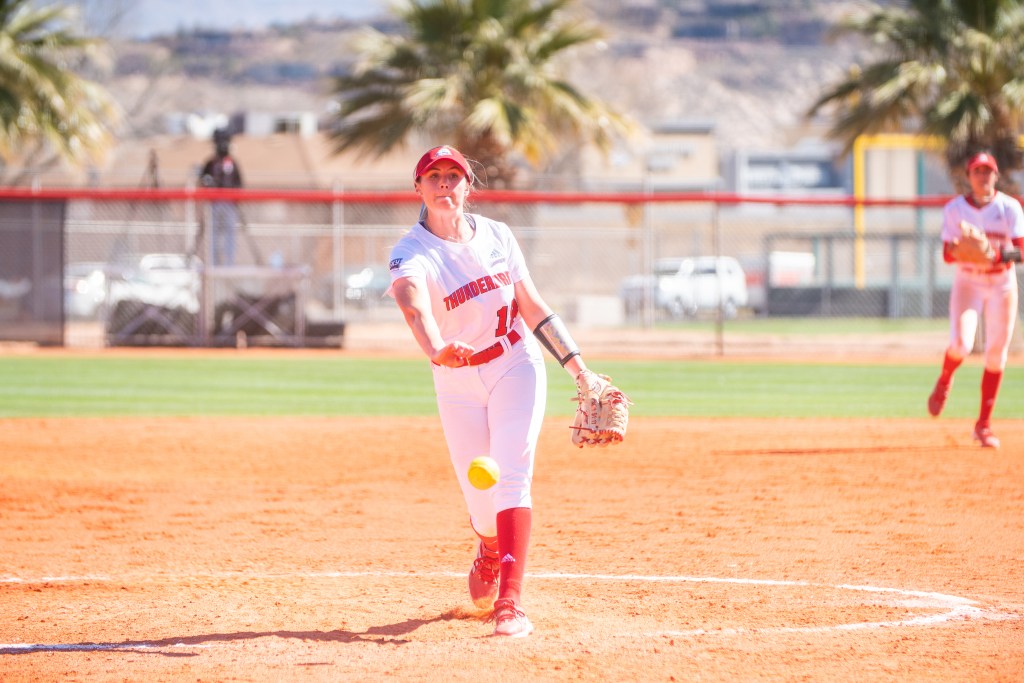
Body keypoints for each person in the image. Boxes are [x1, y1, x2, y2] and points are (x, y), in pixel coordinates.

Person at [387, 145, 608, 638]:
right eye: (434, 176)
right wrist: (435, 347)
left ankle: (510, 602)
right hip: (456, 380)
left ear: (469, 186)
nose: (445, 184)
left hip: (515, 363)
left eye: (454, 176)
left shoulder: (499, 236)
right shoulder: (411, 251)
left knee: (511, 475)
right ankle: (489, 544)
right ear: (418, 187)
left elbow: (532, 305)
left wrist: (580, 369)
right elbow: (411, 302)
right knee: (480, 498)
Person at [927, 150, 1024, 449]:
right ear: (969, 177)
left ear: (995, 176)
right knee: (961, 344)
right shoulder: (956, 209)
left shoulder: (1009, 208)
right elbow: (946, 254)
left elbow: (1021, 251)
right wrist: (961, 249)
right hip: (968, 281)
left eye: (988, 171)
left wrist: (995, 254)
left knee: (996, 352)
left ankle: (983, 425)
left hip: (1000, 284)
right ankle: (945, 379)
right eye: (977, 171)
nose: (983, 176)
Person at [199, 128, 243, 265]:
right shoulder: (211, 163)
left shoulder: (232, 163)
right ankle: (213, 262)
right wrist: (207, 182)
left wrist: (236, 197)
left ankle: (230, 263)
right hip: (214, 203)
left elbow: (239, 182)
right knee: (213, 233)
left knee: (230, 232)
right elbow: (203, 179)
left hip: (229, 203)